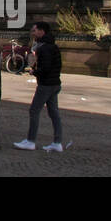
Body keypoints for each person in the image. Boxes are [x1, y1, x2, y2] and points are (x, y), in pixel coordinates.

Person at [14, 21, 67, 152]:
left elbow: (46, 68)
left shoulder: (44, 47)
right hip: (55, 83)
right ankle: (57, 142)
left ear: (42, 31)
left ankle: (31, 141)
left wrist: (34, 72)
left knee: (34, 110)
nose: (33, 33)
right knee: (54, 113)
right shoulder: (51, 45)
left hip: (46, 84)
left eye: (34, 30)